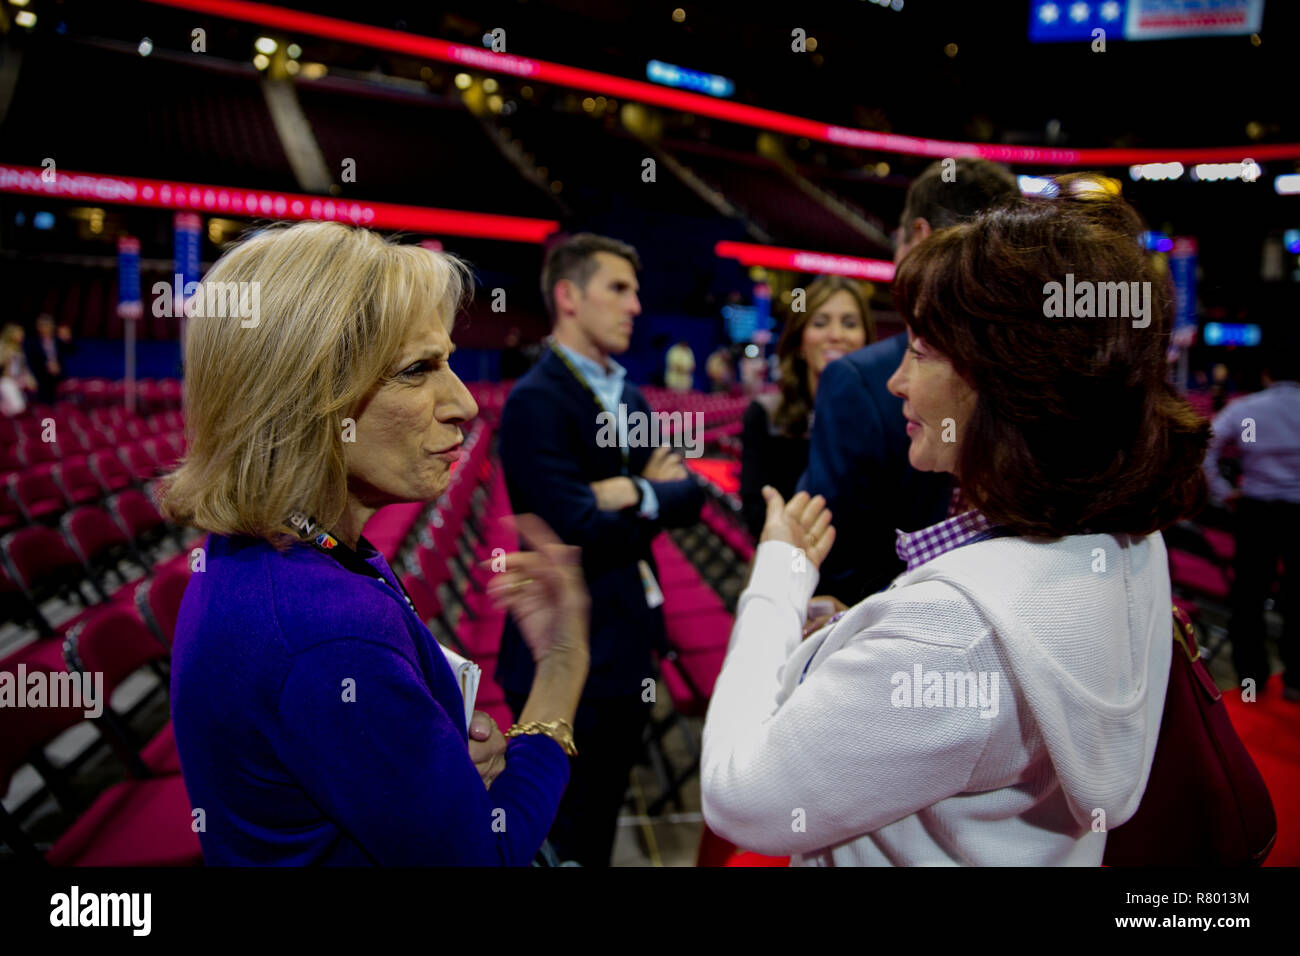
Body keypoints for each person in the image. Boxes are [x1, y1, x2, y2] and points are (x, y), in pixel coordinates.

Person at [701, 176, 1210, 865]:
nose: (896, 381)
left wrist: (778, 576)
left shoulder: (954, 633)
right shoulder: (1130, 535)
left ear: (1000, 377)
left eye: (919, 349)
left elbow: (738, 799)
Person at [161, 221, 590, 865]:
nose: (465, 403)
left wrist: (431, 749)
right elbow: (486, 857)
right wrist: (561, 666)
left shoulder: (285, 549)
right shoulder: (326, 631)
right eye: (418, 370)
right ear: (302, 398)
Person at [496, 232, 705, 866]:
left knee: (604, 811)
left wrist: (625, 491)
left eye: (636, 290)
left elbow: (690, 494)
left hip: (627, 639)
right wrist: (650, 494)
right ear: (568, 296)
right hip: (562, 647)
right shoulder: (535, 400)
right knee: (561, 831)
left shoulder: (631, 394)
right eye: (618, 288)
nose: (635, 304)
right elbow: (576, 533)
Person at [798, 157, 1019, 605]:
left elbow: (833, 553)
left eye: (924, 353)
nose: (902, 383)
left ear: (918, 237)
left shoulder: (858, 379)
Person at [1203, 338, 1300, 699]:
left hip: (1256, 512)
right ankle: (1296, 680)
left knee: (1249, 596)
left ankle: (1251, 679)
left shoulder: (1248, 409)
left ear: (1266, 373)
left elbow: (1204, 449)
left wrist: (1224, 490)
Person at [739, 276, 872, 538]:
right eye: (820, 323)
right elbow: (756, 516)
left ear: (866, 340)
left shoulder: (886, 419)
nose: (836, 335)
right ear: (800, 342)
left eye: (850, 324)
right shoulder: (766, 414)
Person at [25, 313, 75, 405]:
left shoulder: (58, 340)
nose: (46, 328)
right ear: (38, 327)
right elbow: (30, 361)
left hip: (57, 374)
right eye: (43, 326)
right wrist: (46, 366)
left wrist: (67, 339)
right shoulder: (31, 342)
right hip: (40, 375)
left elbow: (72, 351)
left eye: (48, 325)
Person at [1, 323, 37, 417]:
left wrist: (29, 379)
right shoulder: (3, 346)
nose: (22, 335)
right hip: (6, 380)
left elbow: (24, 367)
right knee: (17, 408)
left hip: (18, 380)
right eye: (19, 333)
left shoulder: (20, 348)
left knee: (23, 409)